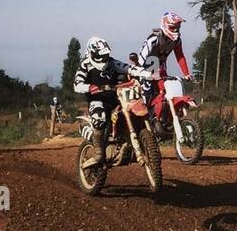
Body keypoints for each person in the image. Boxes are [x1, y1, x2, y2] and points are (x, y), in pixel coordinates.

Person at [73, 36, 140, 164]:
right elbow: (77, 84)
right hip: (97, 99)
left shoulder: (113, 63)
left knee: (133, 110)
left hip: (116, 98)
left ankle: (134, 143)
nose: (104, 58)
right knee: (99, 117)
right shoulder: (86, 65)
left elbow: (129, 69)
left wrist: (147, 75)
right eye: (102, 55)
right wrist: (90, 87)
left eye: (106, 55)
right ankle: (98, 153)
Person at [135, 13, 192, 121]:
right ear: (165, 26)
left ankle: (167, 117)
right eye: (173, 27)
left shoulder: (177, 40)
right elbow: (146, 57)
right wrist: (147, 73)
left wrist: (186, 73)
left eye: (177, 27)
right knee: (148, 92)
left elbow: (180, 56)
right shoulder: (155, 38)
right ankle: (148, 119)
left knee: (167, 90)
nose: (175, 30)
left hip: (160, 65)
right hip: (146, 65)